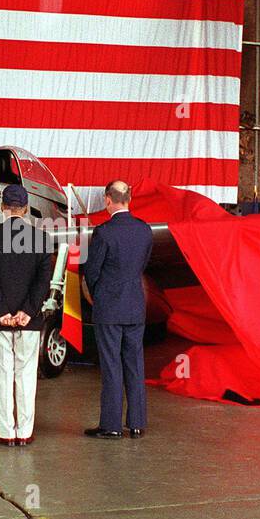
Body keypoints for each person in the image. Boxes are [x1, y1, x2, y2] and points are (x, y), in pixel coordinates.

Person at [0, 185, 55, 446]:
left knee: (2, 375)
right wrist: (27, 311)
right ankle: (24, 432)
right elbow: (42, 282)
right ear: (25, 209)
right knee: (25, 375)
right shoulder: (42, 239)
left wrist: (3, 313)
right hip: (29, 320)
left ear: (2, 207)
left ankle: (6, 433)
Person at [82, 180, 153, 439]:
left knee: (112, 366)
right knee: (135, 364)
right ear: (129, 200)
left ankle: (111, 425)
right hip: (135, 305)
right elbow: (142, 264)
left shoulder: (104, 233)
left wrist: (99, 294)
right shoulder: (145, 230)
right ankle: (136, 423)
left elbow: (92, 271)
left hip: (109, 308)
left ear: (108, 200)